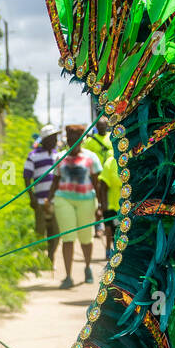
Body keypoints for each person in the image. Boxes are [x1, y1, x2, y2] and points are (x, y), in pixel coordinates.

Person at [52, 123, 103, 288]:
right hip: (63, 199)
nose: (72, 141)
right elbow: (55, 180)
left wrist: (100, 205)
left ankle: (87, 267)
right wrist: (48, 199)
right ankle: (68, 276)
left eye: (76, 138)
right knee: (68, 237)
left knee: (86, 238)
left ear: (81, 140)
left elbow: (97, 183)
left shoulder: (91, 157)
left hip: (86, 200)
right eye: (69, 138)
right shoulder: (60, 157)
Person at [23, 123, 62, 266]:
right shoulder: (33, 156)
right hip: (40, 201)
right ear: (45, 139)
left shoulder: (57, 154)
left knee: (56, 232)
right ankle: (39, 260)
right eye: (52, 138)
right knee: (40, 232)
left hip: (56, 200)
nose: (55, 140)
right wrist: (31, 197)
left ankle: (50, 257)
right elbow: (27, 177)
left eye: (56, 137)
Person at [85, 116, 121, 256]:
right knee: (97, 205)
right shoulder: (89, 142)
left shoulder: (111, 139)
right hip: (94, 175)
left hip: (110, 175)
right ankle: (97, 226)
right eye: (99, 125)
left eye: (104, 125)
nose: (101, 128)